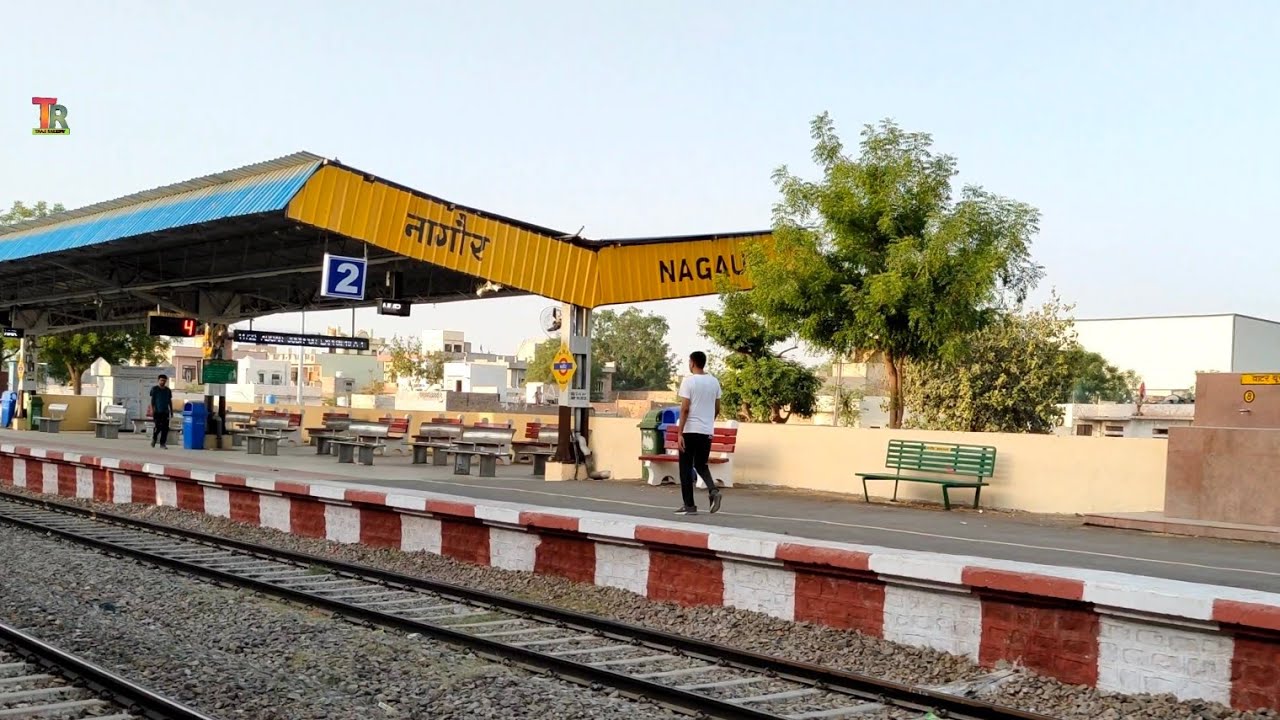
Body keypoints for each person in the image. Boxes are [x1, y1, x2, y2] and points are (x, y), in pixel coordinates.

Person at [675, 351, 723, 515]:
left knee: (685, 467)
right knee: (701, 464)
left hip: (690, 430)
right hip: (706, 431)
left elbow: (685, 408)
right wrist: (708, 423)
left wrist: (680, 433)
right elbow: (717, 408)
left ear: (693, 363)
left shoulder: (689, 381)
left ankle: (689, 505)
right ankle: (713, 490)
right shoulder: (714, 382)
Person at [150, 374, 173, 449]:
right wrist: (152, 410)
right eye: (161, 380)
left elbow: (169, 401)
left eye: (164, 381)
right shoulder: (154, 389)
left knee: (165, 428)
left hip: (165, 412)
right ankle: (154, 438)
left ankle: (162, 443)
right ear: (158, 380)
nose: (163, 382)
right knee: (158, 427)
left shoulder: (168, 390)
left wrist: (171, 411)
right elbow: (152, 401)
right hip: (157, 412)